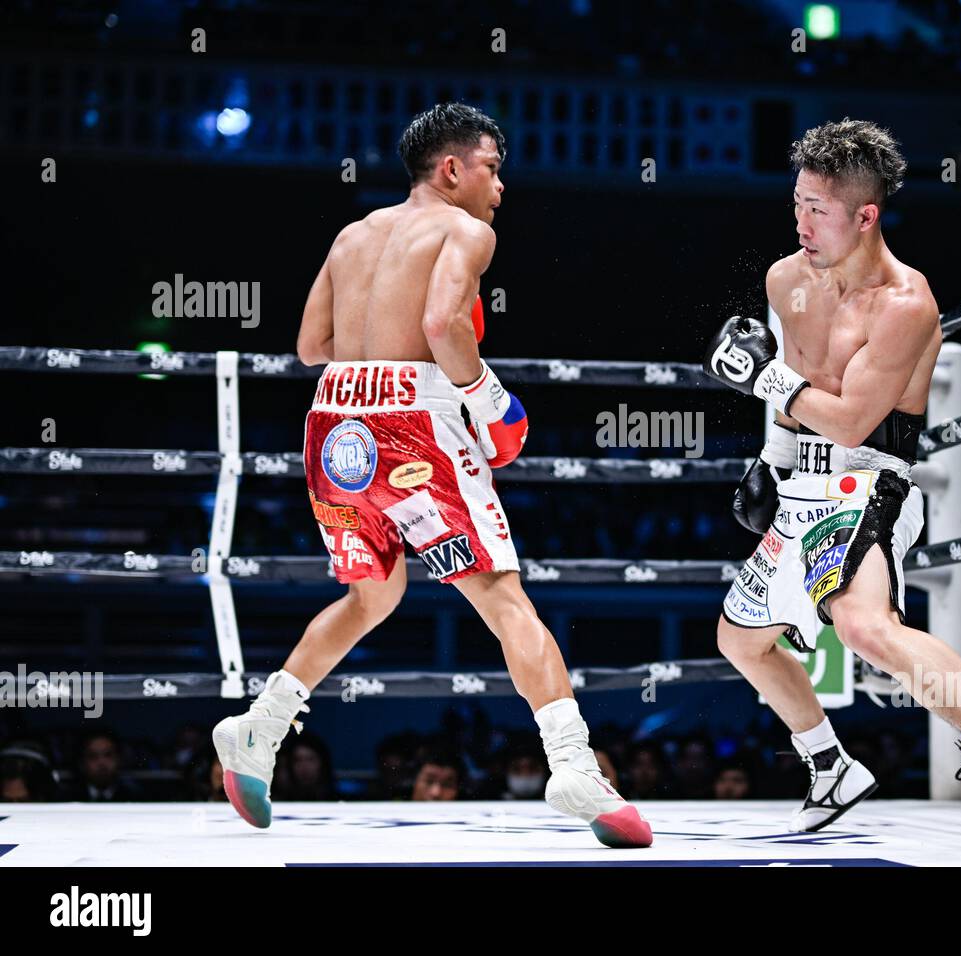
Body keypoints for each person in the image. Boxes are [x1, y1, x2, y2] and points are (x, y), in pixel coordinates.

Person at [212, 103, 650, 848]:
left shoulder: (352, 236)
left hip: (332, 425)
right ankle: (574, 765)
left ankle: (260, 729)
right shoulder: (465, 230)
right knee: (502, 596)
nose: (501, 186)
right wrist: (489, 401)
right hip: (413, 424)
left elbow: (311, 345)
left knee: (371, 594)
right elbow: (443, 325)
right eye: (492, 167)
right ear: (452, 169)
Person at [703, 118, 961, 834]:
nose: (801, 221)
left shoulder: (906, 304)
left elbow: (849, 421)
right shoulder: (784, 279)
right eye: (798, 203)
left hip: (868, 481)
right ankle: (831, 766)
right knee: (739, 638)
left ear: (866, 215)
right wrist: (769, 464)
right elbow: (797, 392)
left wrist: (764, 379)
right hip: (800, 489)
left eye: (819, 209)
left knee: (864, 626)